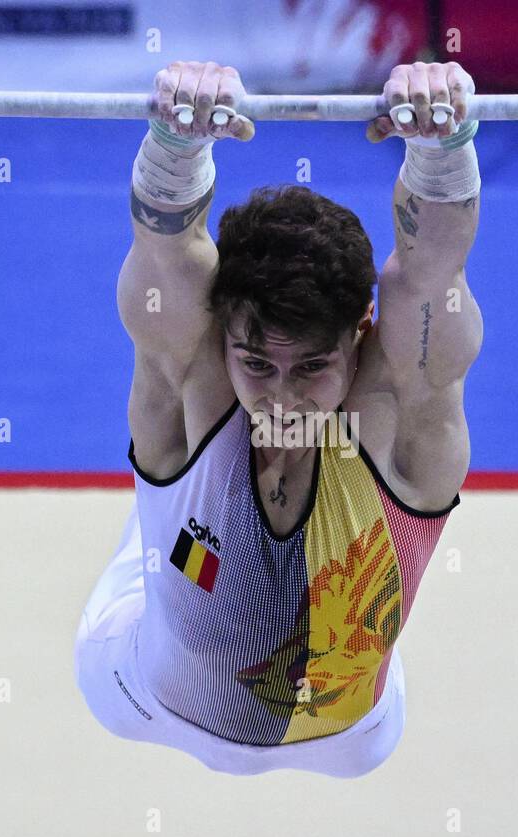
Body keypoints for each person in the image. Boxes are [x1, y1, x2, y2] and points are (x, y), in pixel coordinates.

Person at [75, 59, 483, 777]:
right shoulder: (208, 378)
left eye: (312, 368)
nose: (284, 401)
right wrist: (176, 141)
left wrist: (442, 145)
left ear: (362, 331)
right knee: (185, 364)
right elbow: (163, 252)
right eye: (257, 364)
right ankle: (174, 516)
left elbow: (431, 276)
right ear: (229, 336)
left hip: (350, 739)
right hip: (139, 692)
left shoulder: (394, 414)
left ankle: (183, 516)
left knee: (211, 462)